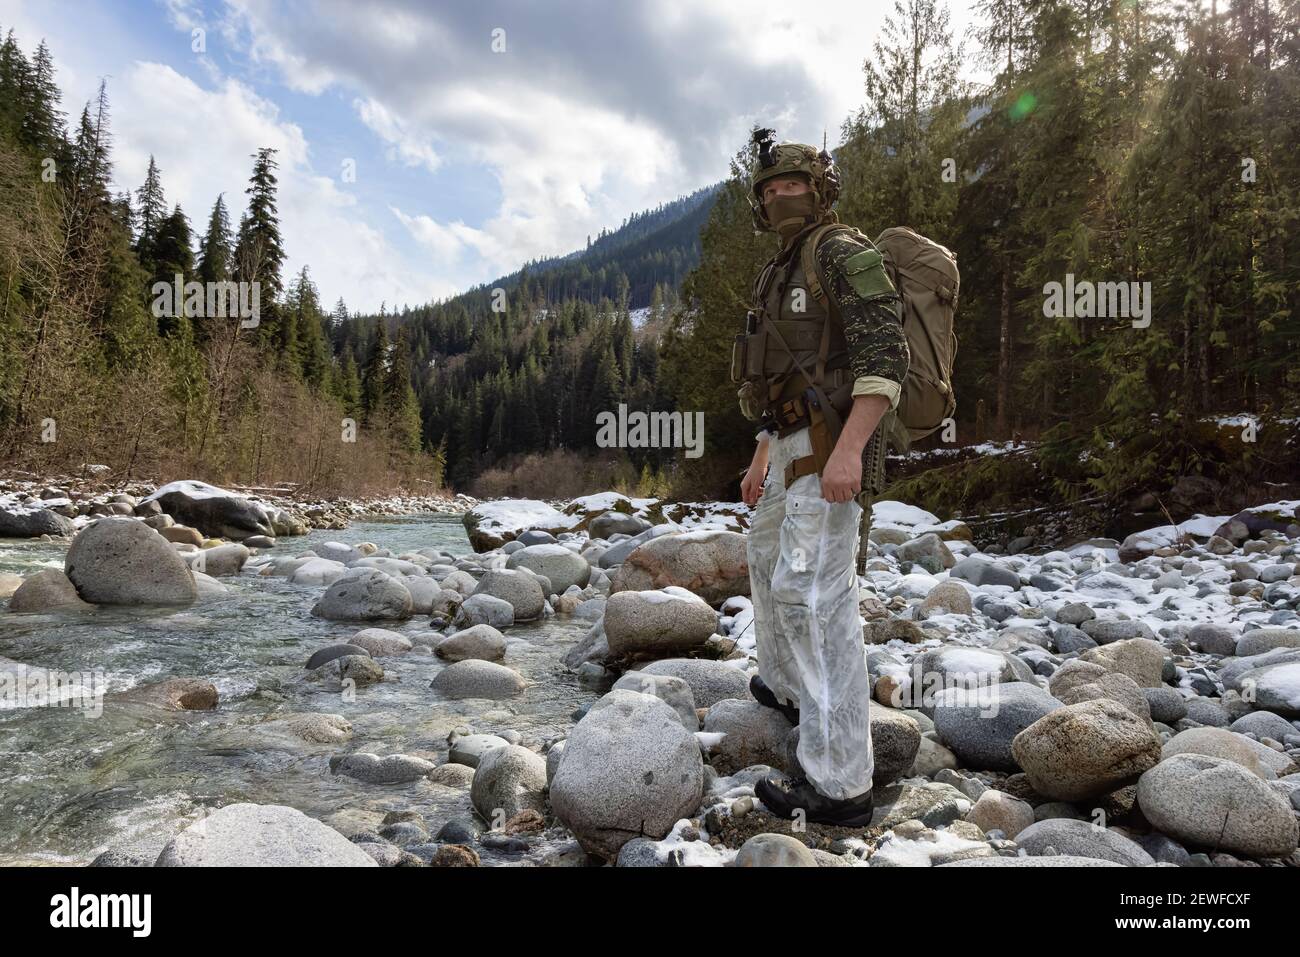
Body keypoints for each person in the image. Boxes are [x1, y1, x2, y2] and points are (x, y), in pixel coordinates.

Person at [737, 135, 909, 826]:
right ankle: (786, 687)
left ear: (820, 188)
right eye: (770, 189)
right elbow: (774, 376)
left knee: (813, 594)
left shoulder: (841, 251)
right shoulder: (777, 271)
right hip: (785, 442)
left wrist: (851, 452)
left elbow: (886, 353)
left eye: (793, 185)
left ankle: (841, 782)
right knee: (762, 557)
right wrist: (759, 456)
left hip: (833, 442)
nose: (781, 196)